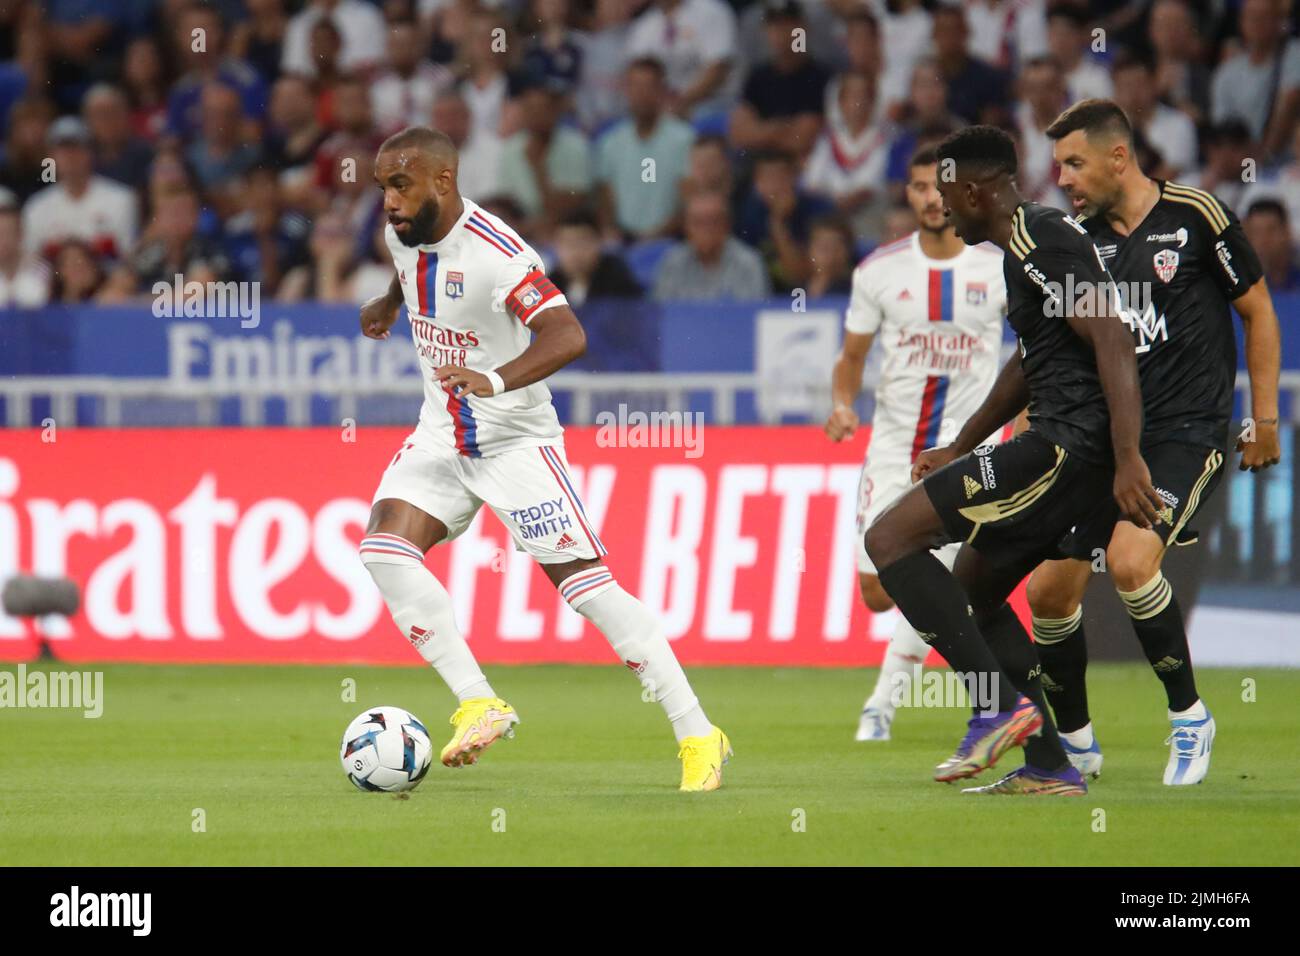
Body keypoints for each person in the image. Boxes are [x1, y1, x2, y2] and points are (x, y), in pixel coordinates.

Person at [357, 126, 731, 791]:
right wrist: (390, 303)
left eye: (399, 185)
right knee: (384, 550)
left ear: (443, 181)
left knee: (589, 590)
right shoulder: (402, 232)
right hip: (442, 435)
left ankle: (699, 734)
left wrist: (494, 380)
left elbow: (568, 333)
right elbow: (412, 271)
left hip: (515, 442)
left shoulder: (501, 254)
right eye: (383, 186)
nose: (388, 201)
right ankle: (479, 702)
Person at [865, 124, 1159, 796]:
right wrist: (964, 445)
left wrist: (1126, 457)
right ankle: (1051, 766)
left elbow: (1112, 335)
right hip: (1067, 446)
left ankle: (996, 706)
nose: (939, 208)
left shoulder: (1042, 238)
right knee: (973, 586)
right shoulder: (1023, 248)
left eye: (946, 194)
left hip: (1066, 447)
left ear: (973, 190)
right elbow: (1033, 361)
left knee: (889, 537)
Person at [1025, 99, 1282, 785]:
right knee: (1048, 592)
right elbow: (1058, 355)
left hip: (1186, 433)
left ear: (1118, 156)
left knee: (1132, 560)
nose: (1065, 180)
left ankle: (1189, 716)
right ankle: (1077, 741)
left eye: (1074, 164)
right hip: (1106, 439)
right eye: (1058, 168)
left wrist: (1264, 417)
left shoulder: (1197, 215)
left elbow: (1257, 311)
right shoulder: (1079, 244)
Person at [826, 147, 1007, 742]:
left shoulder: (995, 267)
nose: (932, 197)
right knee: (879, 591)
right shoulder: (878, 270)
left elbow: (1036, 355)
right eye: (921, 186)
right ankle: (905, 693)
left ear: (963, 194)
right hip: (894, 445)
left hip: (968, 449)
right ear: (908, 194)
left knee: (950, 580)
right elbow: (851, 359)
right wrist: (842, 403)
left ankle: (883, 701)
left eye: (941, 186)